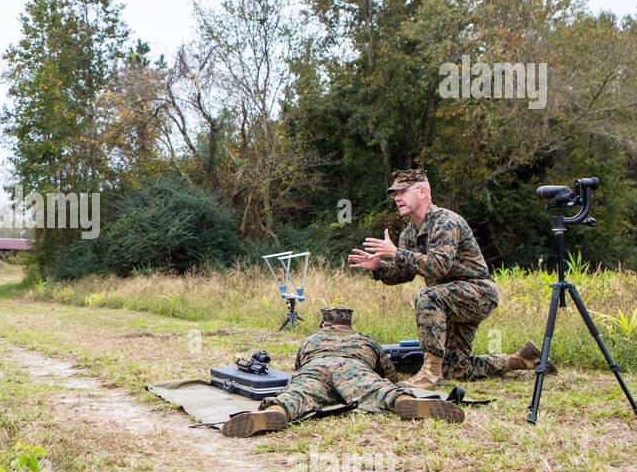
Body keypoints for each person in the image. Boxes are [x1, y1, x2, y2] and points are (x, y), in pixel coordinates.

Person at [347, 167, 545, 390]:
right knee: (454, 368)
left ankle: (429, 374)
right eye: (395, 194)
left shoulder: (446, 222)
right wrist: (378, 267)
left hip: (477, 293)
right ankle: (522, 360)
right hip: (449, 300)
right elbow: (405, 273)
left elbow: (438, 267)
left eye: (403, 192)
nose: (397, 198)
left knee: (428, 297)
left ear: (423, 192)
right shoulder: (409, 233)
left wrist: (395, 253)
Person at [222, 307, 463, 437]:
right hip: (354, 367)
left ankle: (277, 411)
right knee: (381, 391)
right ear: (349, 325)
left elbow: (298, 368)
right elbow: (390, 376)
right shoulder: (365, 340)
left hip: (316, 367)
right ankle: (404, 403)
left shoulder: (311, 339)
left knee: (296, 394)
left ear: (324, 324)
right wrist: (392, 385)